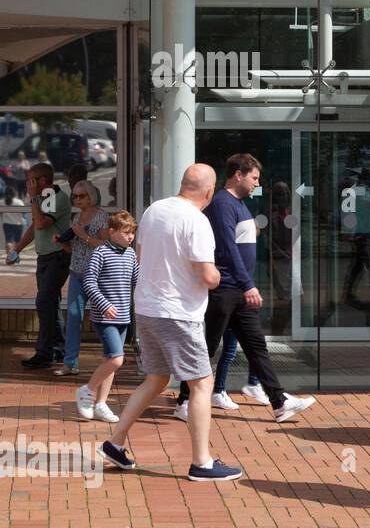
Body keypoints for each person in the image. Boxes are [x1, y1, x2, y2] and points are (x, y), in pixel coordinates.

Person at [100, 164, 242, 482]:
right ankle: (202, 463)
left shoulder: (154, 210)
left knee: (156, 379)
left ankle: (114, 442)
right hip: (179, 313)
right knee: (202, 385)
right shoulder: (197, 221)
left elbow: (139, 256)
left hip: (148, 307)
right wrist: (219, 275)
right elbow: (207, 275)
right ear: (209, 191)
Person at [175, 154, 314, 423]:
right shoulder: (222, 204)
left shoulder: (238, 204)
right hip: (225, 288)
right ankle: (183, 401)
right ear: (238, 174)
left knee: (256, 346)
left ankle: (279, 401)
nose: (256, 183)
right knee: (208, 346)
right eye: (254, 177)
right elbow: (227, 248)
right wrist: (248, 284)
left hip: (236, 290)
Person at [6, 163, 72, 369]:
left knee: (43, 303)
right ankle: (60, 348)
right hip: (45, 258)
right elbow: (35, 227)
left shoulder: (54, 196)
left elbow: (42, 223)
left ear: (42, 181)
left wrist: (34, 198)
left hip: (56, 258)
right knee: (51, 304)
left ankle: (45, 353)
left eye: (31, 180)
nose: (28, 184)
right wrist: (17, 248)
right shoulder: (44, 198)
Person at [77, 210, 137, 423]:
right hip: (105, 318)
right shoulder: (101, 252)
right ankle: (87, 390)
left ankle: (101, 404)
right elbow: (89, 282)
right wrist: (104, 304)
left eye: (132, 233)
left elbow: (137, 279)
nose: (130, 237)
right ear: (111, 232)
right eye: (126, 232)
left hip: (123, 318)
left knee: (109, 360)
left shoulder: (130, 254)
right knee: (117, 359)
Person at [55, 180, 109, 378]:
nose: (77, 199)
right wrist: (63, 243)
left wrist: (84, 235)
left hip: (96, 275)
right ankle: (70, 363)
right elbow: (75, 249)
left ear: (91, 196)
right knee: (74, 317)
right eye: (75, 196)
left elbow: (105, 246)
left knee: (102, 318)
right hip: (77, 272)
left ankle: (112, 357)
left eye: (81, 196)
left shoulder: (101, 217)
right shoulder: (77, 216)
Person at [210, 330, 265, 410]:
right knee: (229, 352)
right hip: (231, 319)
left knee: (255, 347)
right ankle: (218, 392)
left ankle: (253, 383)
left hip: (237, 318)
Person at [2, 183, 26, 254]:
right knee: (18, 241)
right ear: (15, 193)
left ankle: (8, 256)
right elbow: (23, 213)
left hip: (6, 223)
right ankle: (15, 256)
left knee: (8, 240)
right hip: (18, 224)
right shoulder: (19, 202)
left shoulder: (2, 202)